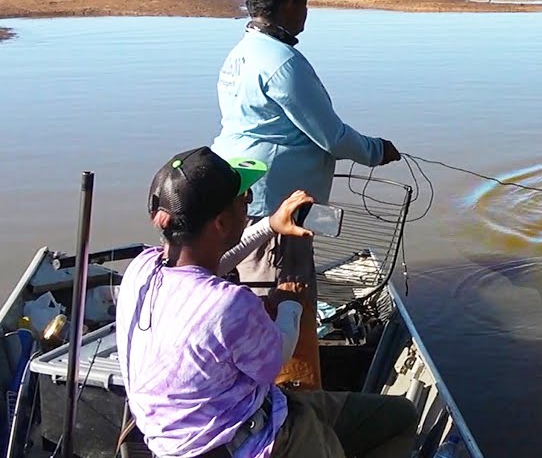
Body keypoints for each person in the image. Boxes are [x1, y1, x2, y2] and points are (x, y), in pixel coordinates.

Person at [116, 146, 418, 458]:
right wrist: (290, 301)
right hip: (251, 443)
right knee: (399, 422)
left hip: (250, 411)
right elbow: (278, 357)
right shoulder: (229, 305)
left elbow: (209, 265)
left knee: (397, 417)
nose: (249, 202)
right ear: (221, 223)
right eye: (244, 197)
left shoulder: (143, 268)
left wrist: (270, 225)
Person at [211, 0, 401, 388]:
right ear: (284, 5)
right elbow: (331, 136)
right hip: (275, 207)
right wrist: (377, 151)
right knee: (283, 297)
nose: (307, 10)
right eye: (302, 1)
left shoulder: (241, 53)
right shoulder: (282, 63)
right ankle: (290, 397)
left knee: (245, 292)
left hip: (242, 190)